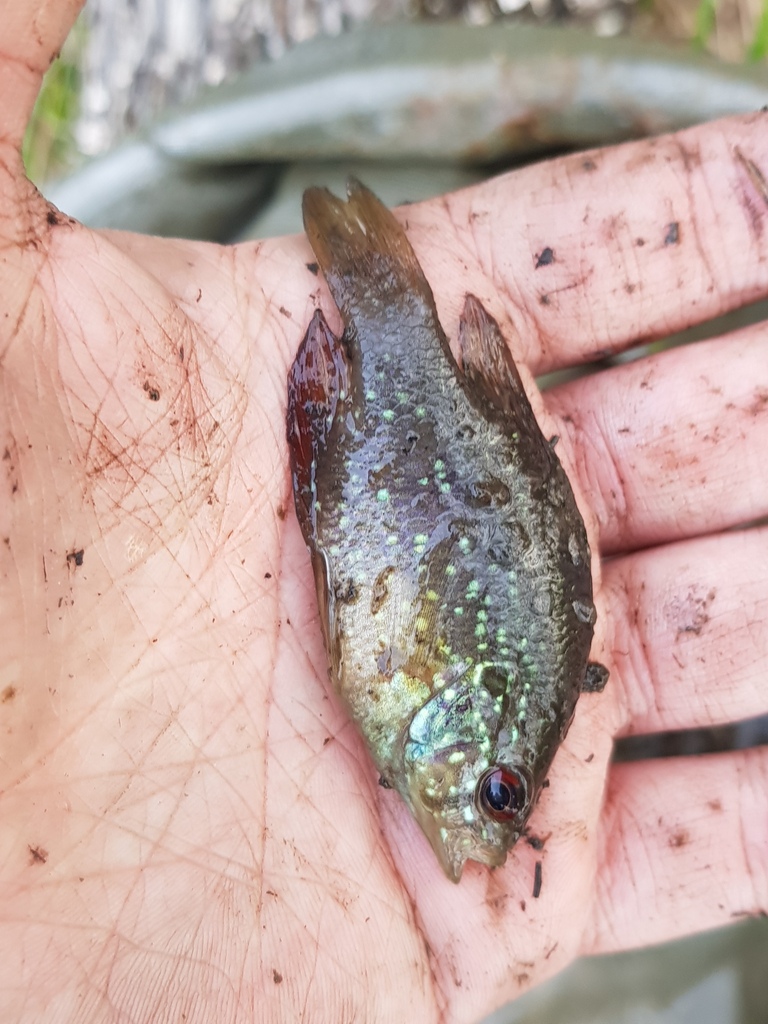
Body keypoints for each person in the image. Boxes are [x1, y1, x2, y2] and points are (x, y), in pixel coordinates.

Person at [1, 2, 766, 1021]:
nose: (491, 834)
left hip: (383, 458)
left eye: (508, 797)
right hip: (411, 429)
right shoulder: (457, 692)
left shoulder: (471, 712)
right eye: (500, 793)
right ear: (471, 704)